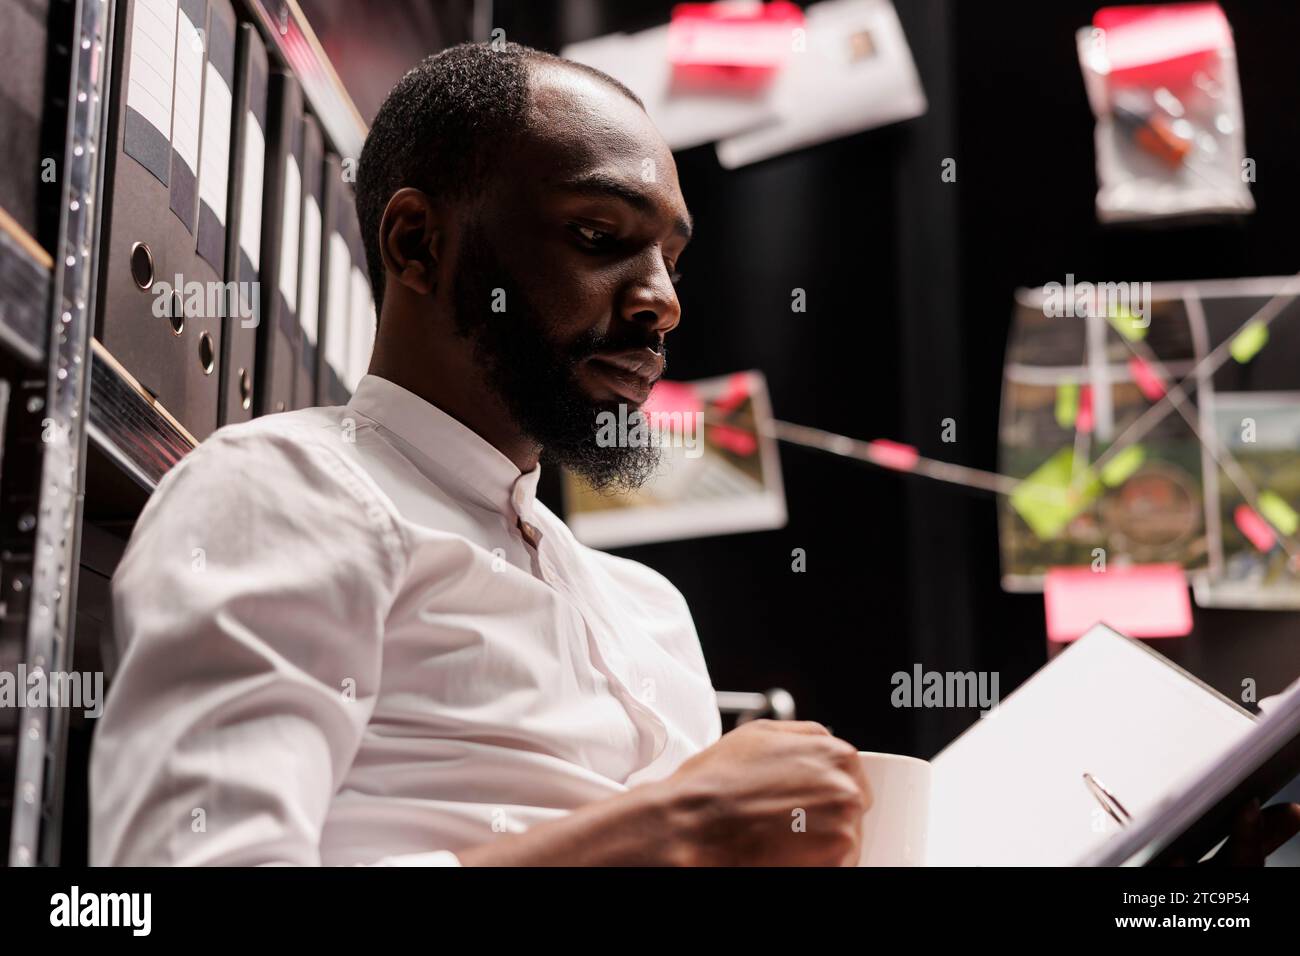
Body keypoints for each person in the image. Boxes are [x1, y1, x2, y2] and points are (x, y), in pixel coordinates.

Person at [90, 41, 871, 867]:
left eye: (670, 262)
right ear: (418, 243)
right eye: (599, 235)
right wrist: (665, 833)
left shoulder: (652, 610)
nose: (663, 303)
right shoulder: (278, 493)